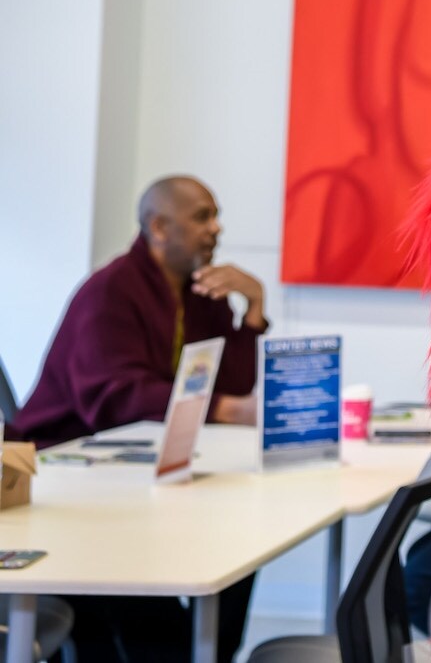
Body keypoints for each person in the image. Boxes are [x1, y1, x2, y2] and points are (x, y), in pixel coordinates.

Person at [7, 175, 267, 663]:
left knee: (238, 548)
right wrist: (227, 410)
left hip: (139, 472)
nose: (217, 228)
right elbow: (116, 397)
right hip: (65, 474)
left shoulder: (199, 292)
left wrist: (252, 311)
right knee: (159, 632)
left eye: (215, 216)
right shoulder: (108, 293)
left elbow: (227, 382)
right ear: (159, 227)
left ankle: (209, 651)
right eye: (203, 216)